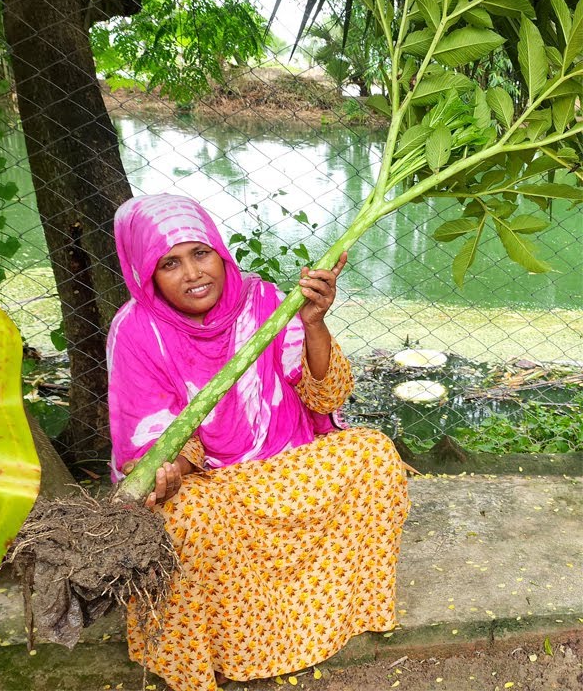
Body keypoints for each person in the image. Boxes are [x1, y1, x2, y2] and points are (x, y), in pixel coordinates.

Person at [107, 194, 409, 691]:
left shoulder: (265, 299)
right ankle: (226, 652)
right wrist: (173, 467)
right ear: (146, 275)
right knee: (185, 520)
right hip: (214, 483)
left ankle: (339, 613)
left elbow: (326, 392)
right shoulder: (137, 330)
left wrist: (314, 322)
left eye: (200, 254)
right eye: (169, 263)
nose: (192, 274)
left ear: (221, 254)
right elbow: (150, 434)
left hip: (287, 462)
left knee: (373, 456)